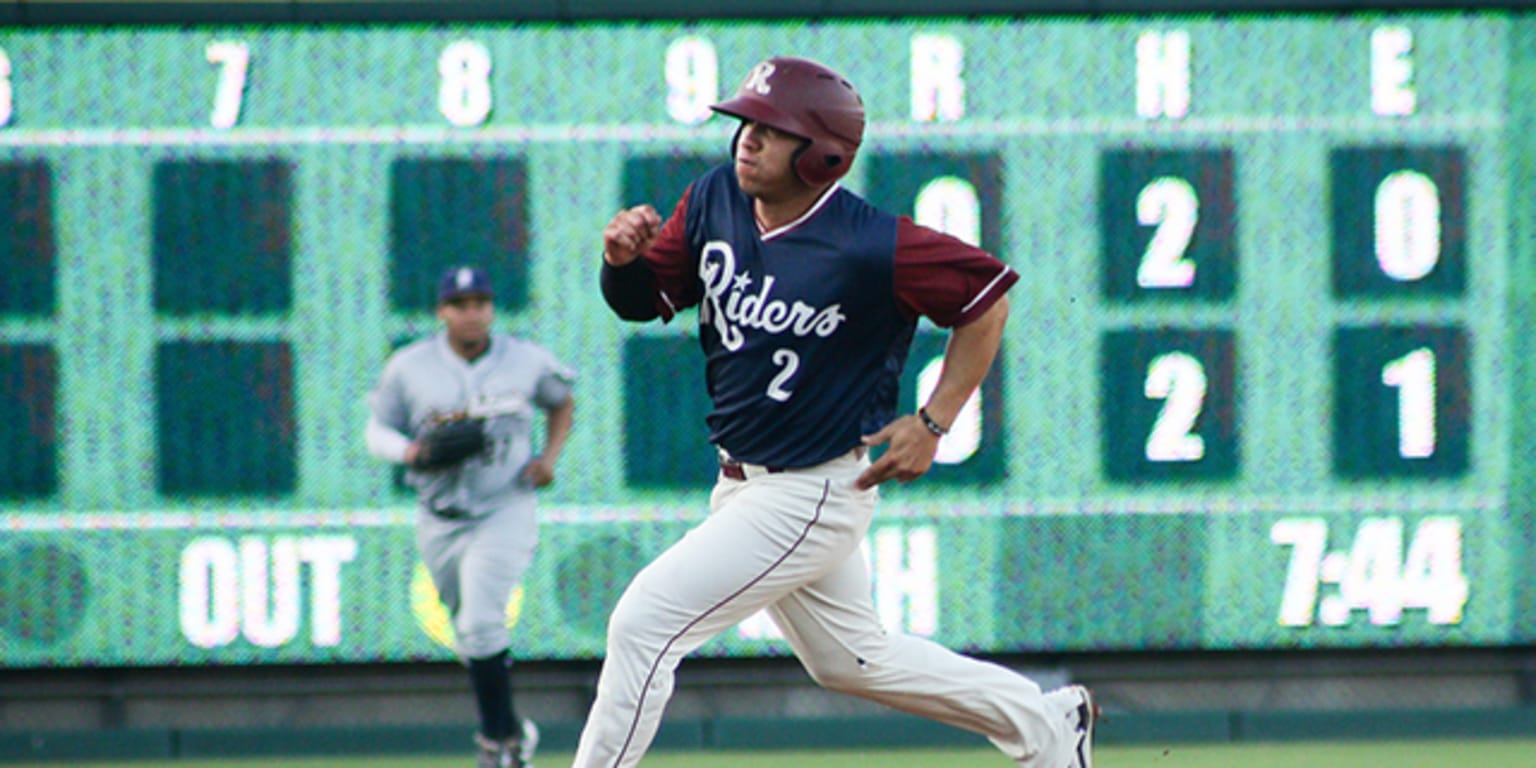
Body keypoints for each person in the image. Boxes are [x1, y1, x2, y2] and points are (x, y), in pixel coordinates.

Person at [578, 56, 1096, 768]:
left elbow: (986, 305)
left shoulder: (871, 243)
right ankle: (1046, 723)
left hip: (811, 491)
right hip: (742, 483)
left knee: (644, 623)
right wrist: (621, 262)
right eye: (744, 122)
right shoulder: (712, 200)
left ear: (821, 155)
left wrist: (934, 422)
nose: (748, 138)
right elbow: (645, 300)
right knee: (854, 659)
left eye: (771, 129)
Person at [365, 265, 575, 768]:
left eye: (480, 303)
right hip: (438, 516)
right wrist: (409, 452)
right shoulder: (409, 367)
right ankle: (511, 732)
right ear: (442, 311)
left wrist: (549, 458)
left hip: (504, 507)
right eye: (460, 305)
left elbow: (562, 401)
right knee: (468, 634)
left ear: (491, 308)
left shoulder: (525, 360)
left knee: (482, 623)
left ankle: (494, 744)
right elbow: (376, 430)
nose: (472, 313)